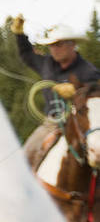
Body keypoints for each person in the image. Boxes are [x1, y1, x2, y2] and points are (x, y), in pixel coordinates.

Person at [11, 16, 100, 168]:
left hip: (81, 122)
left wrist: (75, 91)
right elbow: (27, 55)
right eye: (51, 45)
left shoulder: (87, 70)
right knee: (27, 153)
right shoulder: (46, 63)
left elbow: (96, 92)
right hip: (52, 123)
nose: (54, 49)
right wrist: (19, 34)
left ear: (72, 45)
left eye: (58, 44)